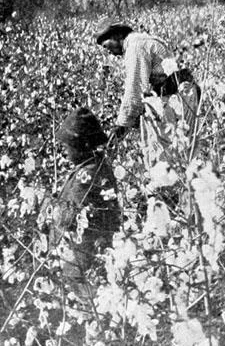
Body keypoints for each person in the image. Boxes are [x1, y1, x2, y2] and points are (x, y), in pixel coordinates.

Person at [93, 18, 198, 164]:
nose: (108, 51)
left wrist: (118, 132)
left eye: (106, 45)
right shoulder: (139, 40)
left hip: (179, 98)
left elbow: (134, 92)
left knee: (175, 157)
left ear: (116, 35)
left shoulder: (135, 47)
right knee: (183, 152)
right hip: (182, 96)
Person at [46, 107, 121, 297]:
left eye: (68, 147)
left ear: (81, 146)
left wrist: (53, 208)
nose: (65, 152)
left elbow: (76, 216)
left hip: (82, 256)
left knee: (84, 296)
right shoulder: (92, 167)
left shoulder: (88, 174)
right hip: (80, 255)